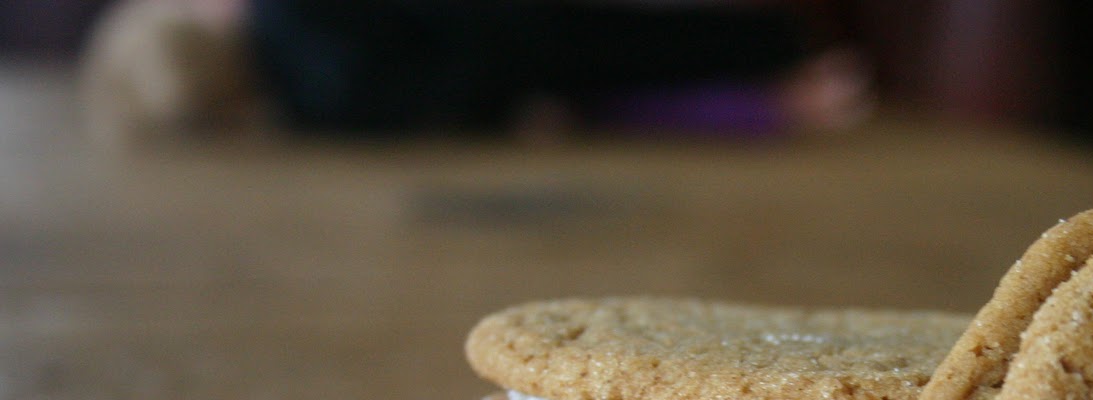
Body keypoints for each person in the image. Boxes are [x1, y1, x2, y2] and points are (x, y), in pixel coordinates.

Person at [81, 0, 872, 143]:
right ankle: (794, 41)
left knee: (641, 63)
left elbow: (429, 105)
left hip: (517, 76)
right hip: (495, 19)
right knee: (645, 32)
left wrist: (502, 112)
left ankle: (801, 69)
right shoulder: (285, 10)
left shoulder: (313, 107)